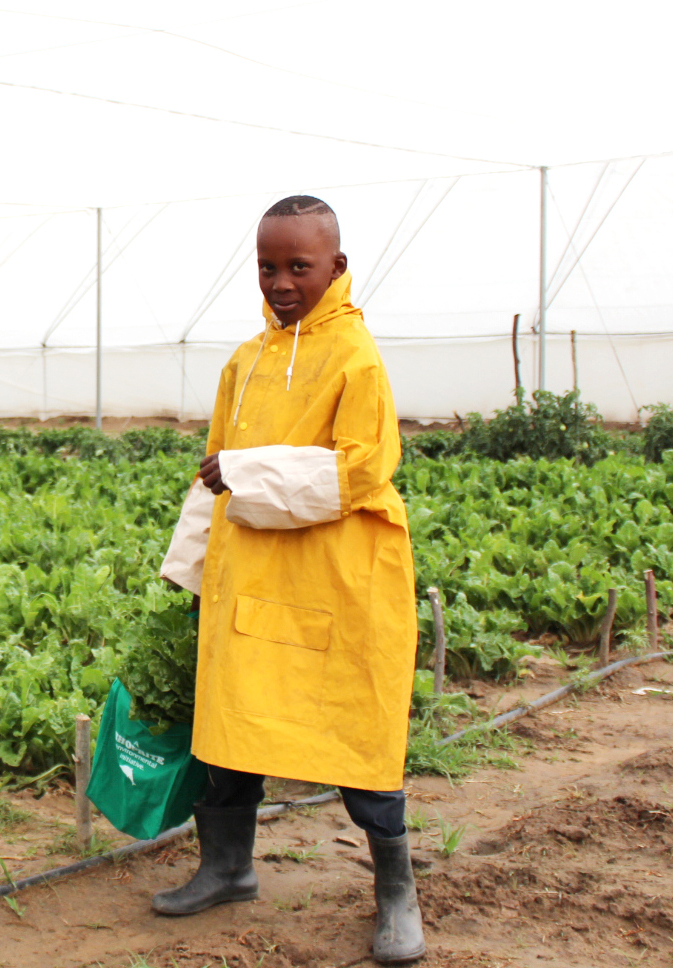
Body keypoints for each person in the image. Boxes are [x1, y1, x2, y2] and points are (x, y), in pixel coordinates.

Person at [157, 196, 422, 963]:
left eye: (298, 266)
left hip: (336, 582)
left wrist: (246, 471)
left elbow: (362, 470)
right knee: (232, 726)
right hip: (251, 578)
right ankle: (228, 868)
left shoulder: (355, 357)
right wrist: (189, 567)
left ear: (336, 267)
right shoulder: (245, 363)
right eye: (267, 266)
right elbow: (213, 471)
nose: (280, 282)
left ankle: (397, 894)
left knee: (356, 734)